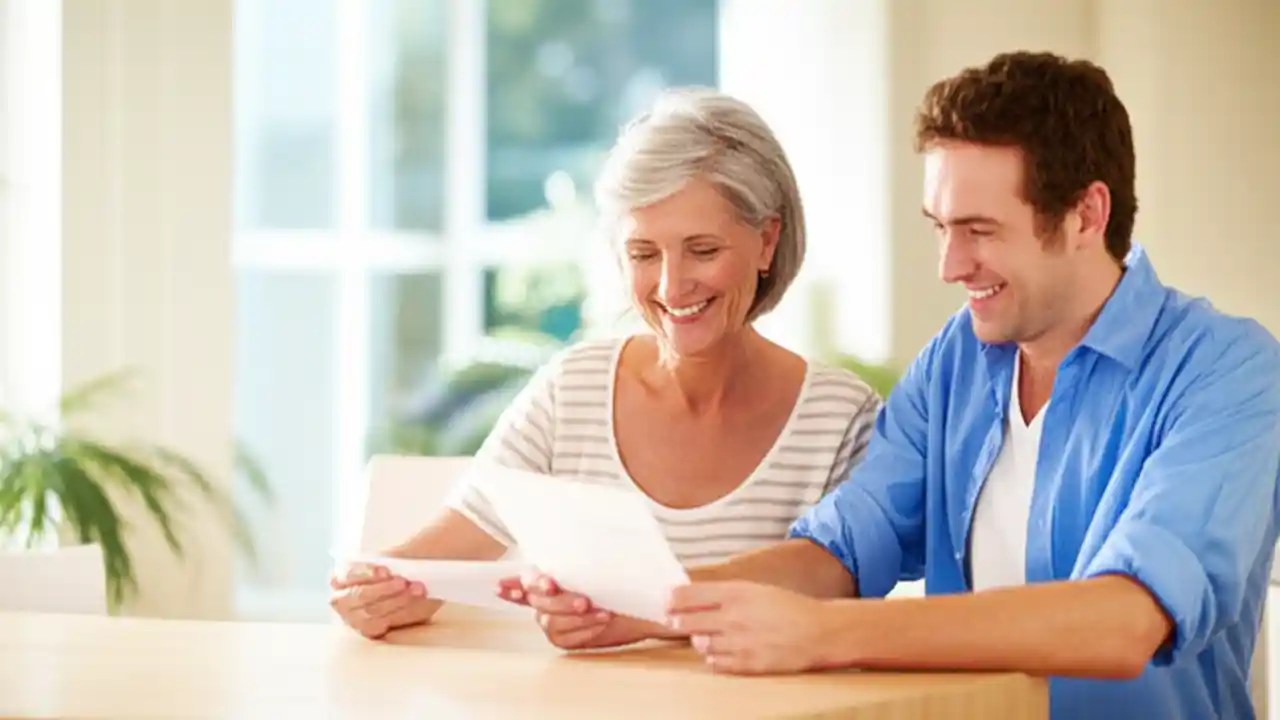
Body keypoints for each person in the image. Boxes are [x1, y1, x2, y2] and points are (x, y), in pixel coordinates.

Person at [509, 52, 1280, 719]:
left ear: (1086, 213)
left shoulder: (1227, 372)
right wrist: (648, 604)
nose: (949, 266)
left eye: (979, 231)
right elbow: (840, 551)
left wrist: (824, 634)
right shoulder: (958, 362)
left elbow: (1121, 621)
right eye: (940, 228)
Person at [329, 88, 881, 642]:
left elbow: (839, 586)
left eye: (703, 250)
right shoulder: (573, 389)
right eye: (643, 254)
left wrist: (641, 614)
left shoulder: (840, 417)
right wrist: (374, 588)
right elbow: (441, 559)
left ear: (767, 242)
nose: (671, 285)